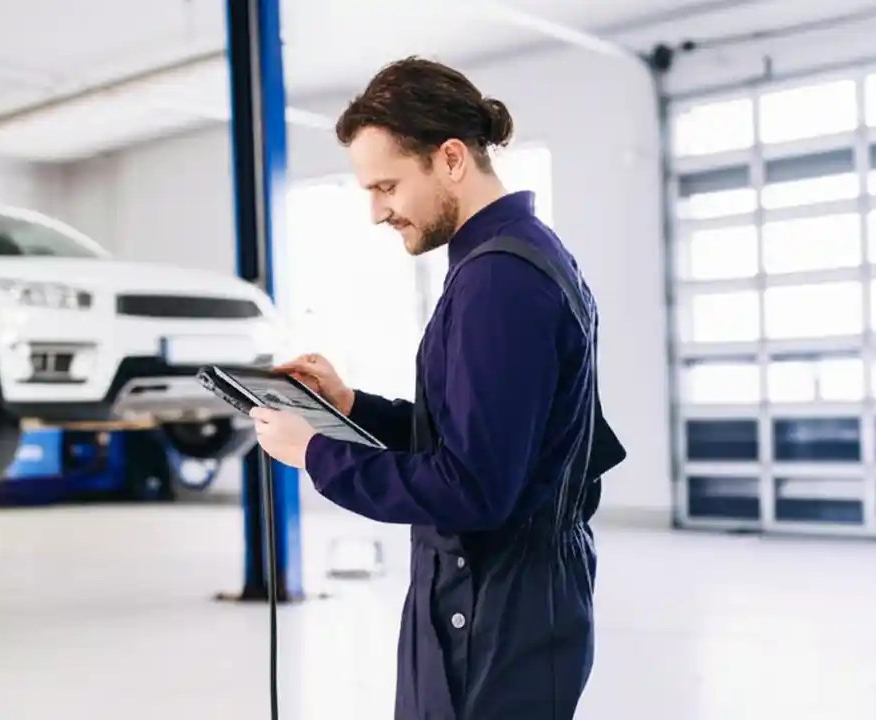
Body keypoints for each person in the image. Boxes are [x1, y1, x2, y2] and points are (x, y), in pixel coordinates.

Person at [249, 57, 624, 720]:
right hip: (499, 598)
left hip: (495, 609)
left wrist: (316, 453)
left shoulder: (499, 283)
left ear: (450, 158)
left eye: (387, 186)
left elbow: (472, 487)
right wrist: (349, 408)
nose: (376, 211)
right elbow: (477, 433)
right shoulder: (509, 259)